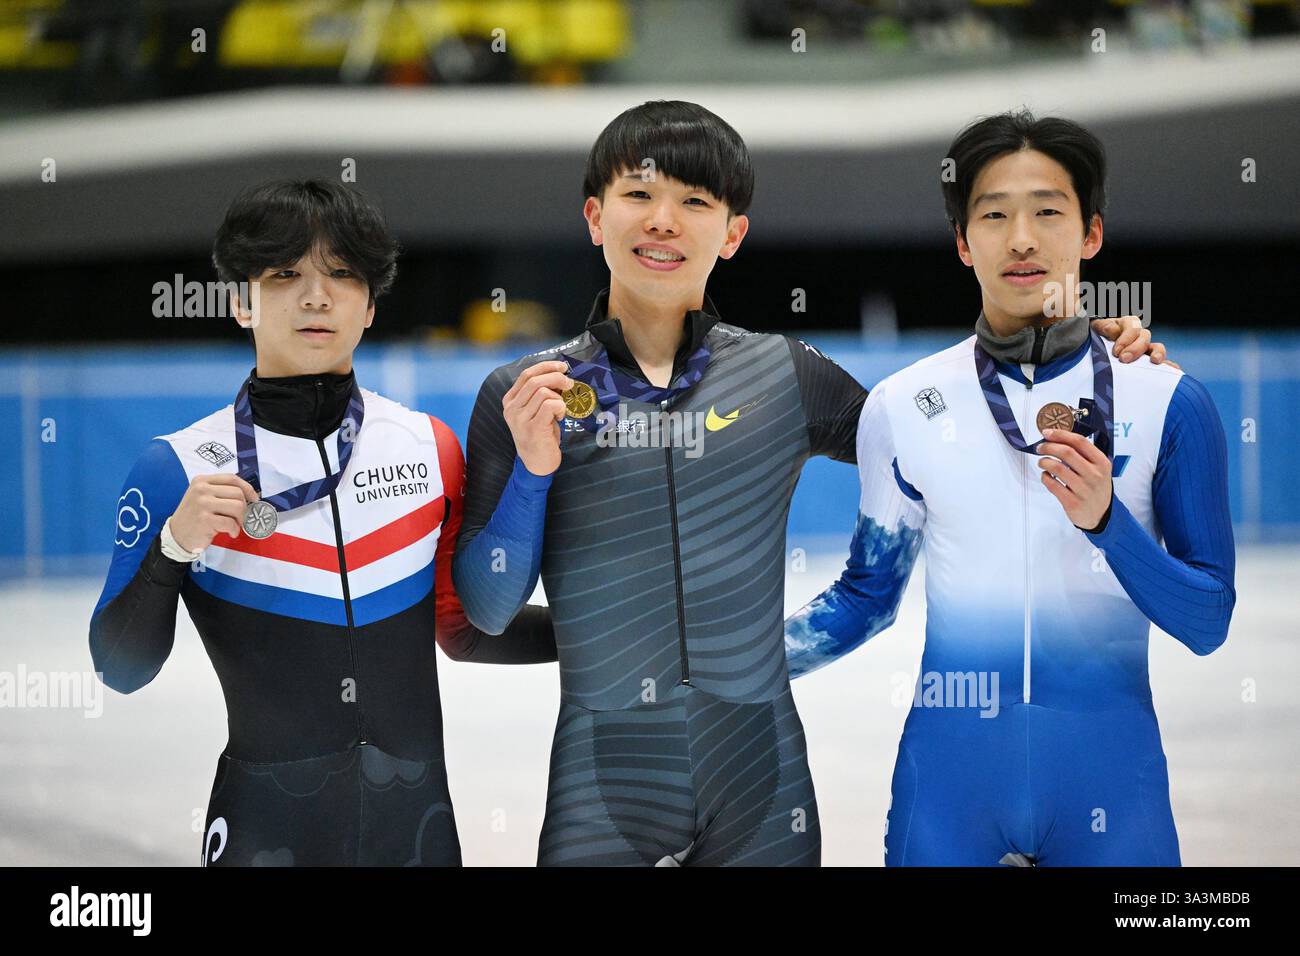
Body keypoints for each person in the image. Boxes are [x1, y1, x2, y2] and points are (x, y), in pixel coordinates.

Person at [452, 100, 1165, 866]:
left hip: (763, 780)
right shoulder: (525, 392)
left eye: (695, 201)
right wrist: (532, 472)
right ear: (595, 216)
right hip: (603, 786)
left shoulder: (784, 375)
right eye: (638, 195)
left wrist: (1068, 347)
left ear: (732, 234)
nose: (663, 220)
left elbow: (939, 434)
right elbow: (485, 612)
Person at [784, 110, 1235, 866]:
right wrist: (726, 662)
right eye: (994, 215)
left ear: (1091, 234)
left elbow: (1209, 620)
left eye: (1048, 212)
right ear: (964, 242)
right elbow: (867, 598)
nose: (1021, 238)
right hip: (951, 789)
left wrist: (1109, 525)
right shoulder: (903, 406)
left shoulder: (1166, 401)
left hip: (1111, 790)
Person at [89, 179, 555, 866]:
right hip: (266, 831)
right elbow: (120, 668)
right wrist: (172, 547)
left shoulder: (429, 446)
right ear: (242, 301)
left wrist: (621, 635)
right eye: (286, 275)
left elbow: (463, 633)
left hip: (417, 829)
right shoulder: (178, 469)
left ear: (370, 306)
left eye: (342, 275)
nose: (316, 297)